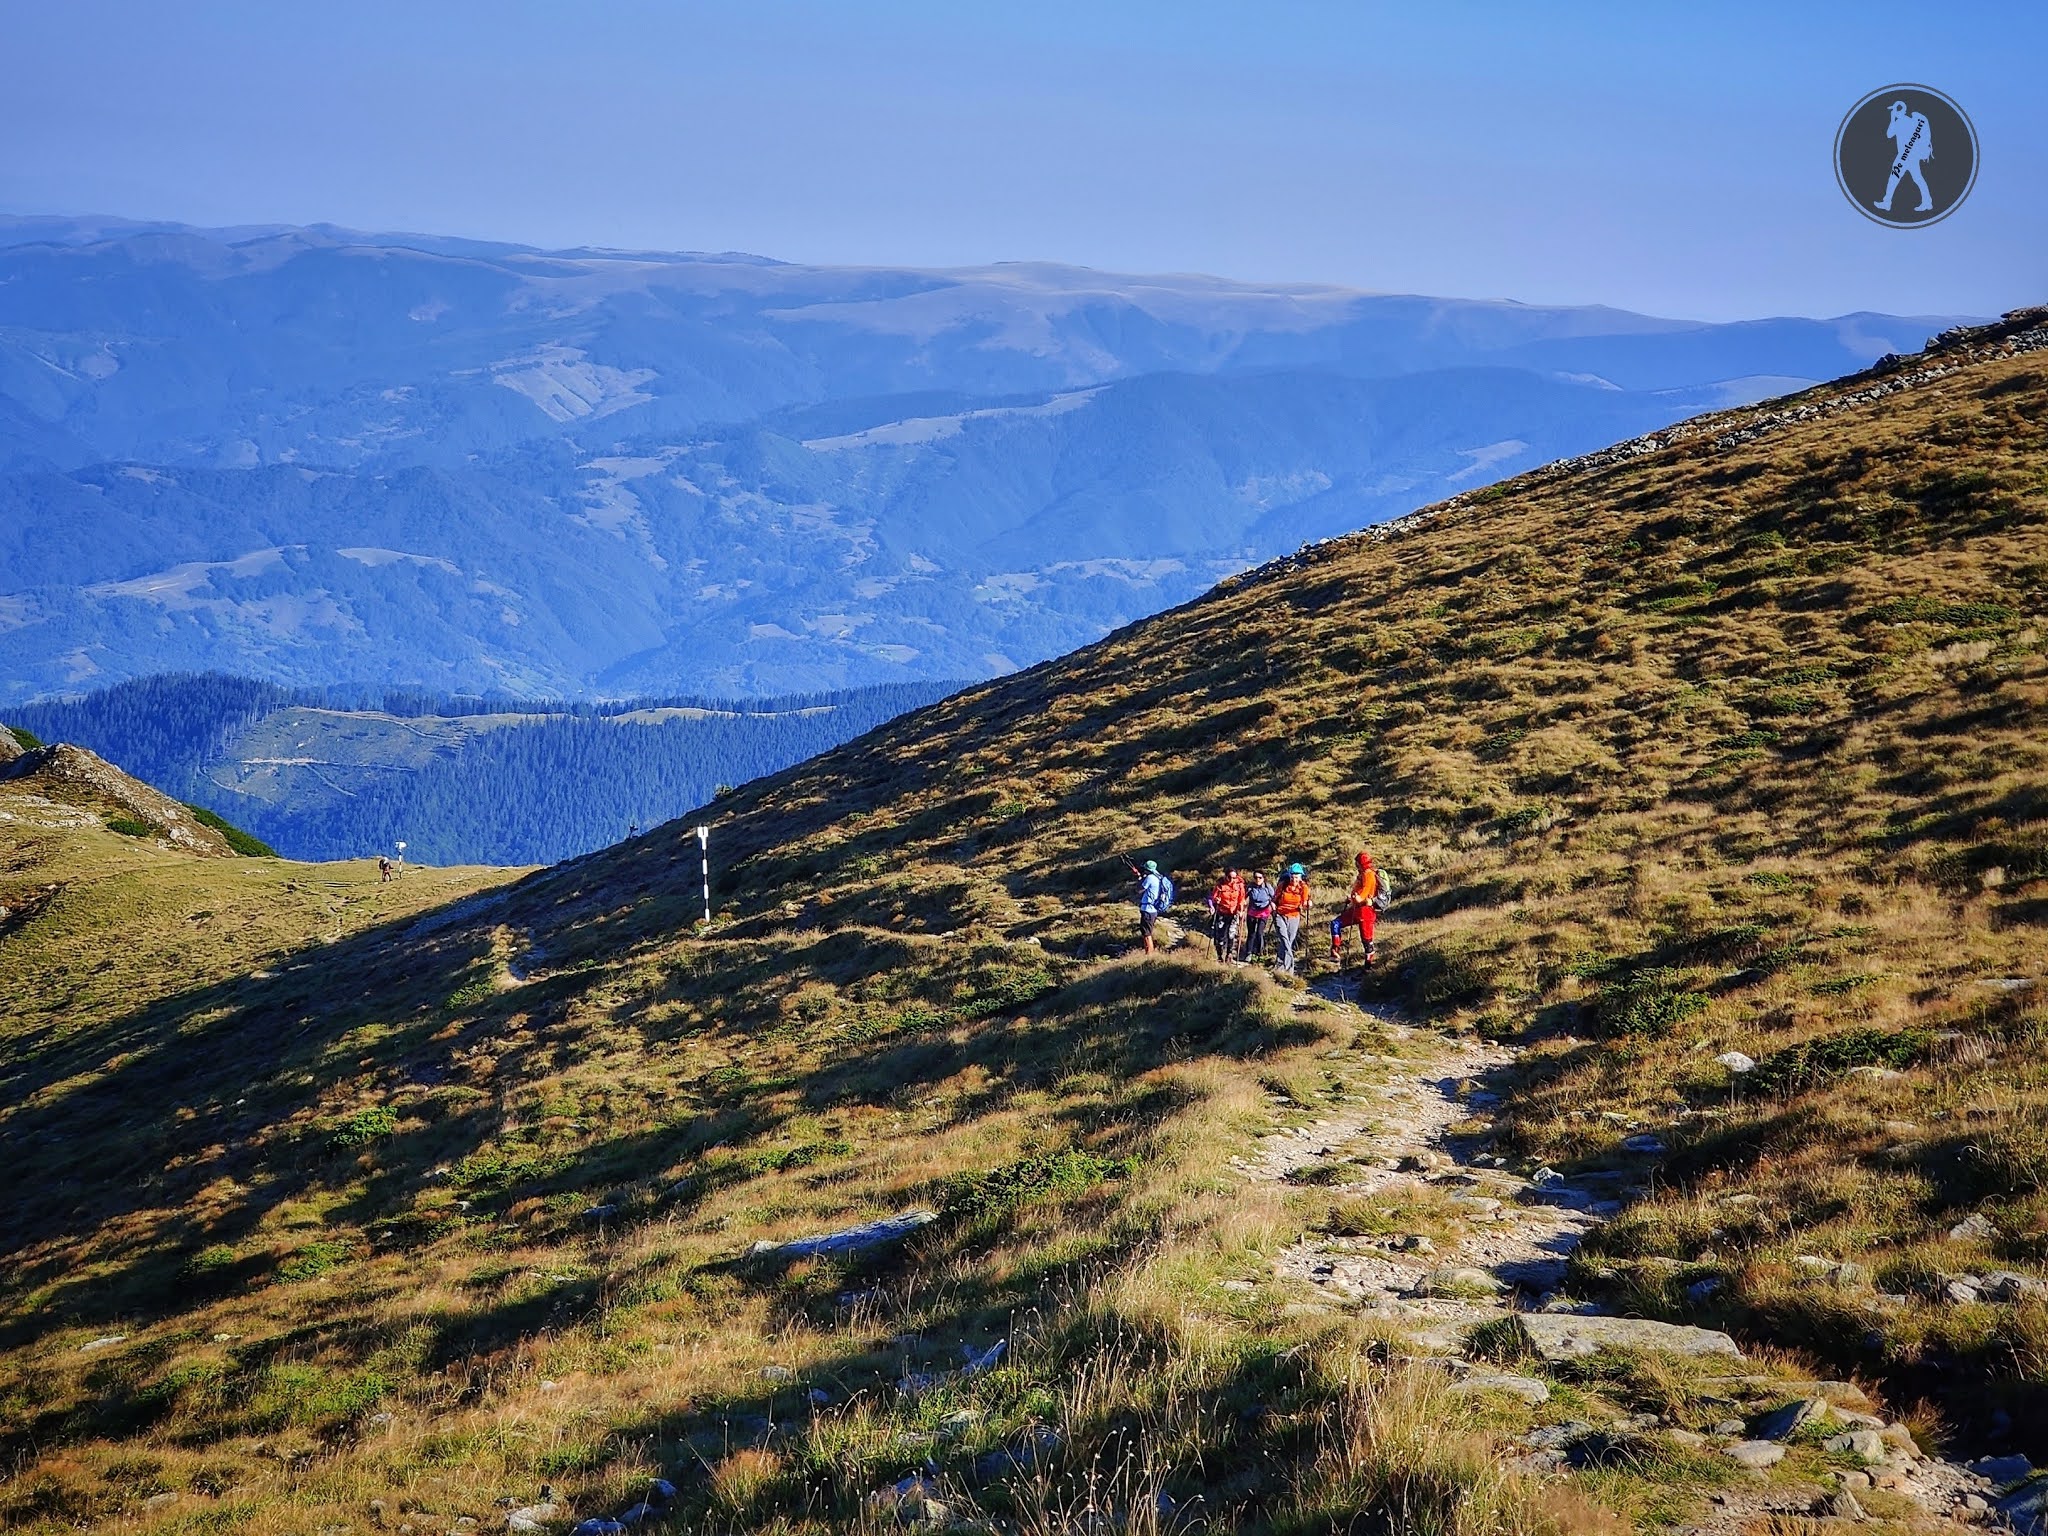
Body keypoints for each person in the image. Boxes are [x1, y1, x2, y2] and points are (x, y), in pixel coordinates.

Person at [1331, 850, 1390, 968]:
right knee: (1336, 924)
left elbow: (1364, 892)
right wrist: (1353, 898)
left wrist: (1357, 898)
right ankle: (1335, 952)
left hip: (1365, 911)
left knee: (1367, 941)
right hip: (1358, 910)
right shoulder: (1364, 874)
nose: (1356, 865)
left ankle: (1367, 968)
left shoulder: (1368, 875)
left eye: (1357, 863)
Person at [1272, 863, 1312, 974]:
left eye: (1297, 876)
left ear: (1301, 877)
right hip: (1280, 915)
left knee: (1288, 941)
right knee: (1284, 939)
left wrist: (1307, 904)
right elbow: (1275, 898)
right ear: (1290, 875)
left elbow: (1304, 902)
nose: (1294, 879)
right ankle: (1290, 969)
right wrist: (1273, 905)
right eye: (1293, 876)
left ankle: (1279, 966)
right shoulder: (1283, 885)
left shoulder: (1304, 887)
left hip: (1294, 916)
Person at [1206, 867, 1247, 963]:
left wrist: (1241, 910)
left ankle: (1229, 955)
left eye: (1234, 877)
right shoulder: (1220, 884)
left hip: (1234, 912)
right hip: (1222, 912)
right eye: (1230, 877)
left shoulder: (1239, 885)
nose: (1232, 880)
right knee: (1220, 936)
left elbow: (1242, 898)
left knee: (1231, 934)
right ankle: (1220, 956)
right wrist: (1216, 901)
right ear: (1226, 876)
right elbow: (1214, 896)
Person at [1135, 858, 1174, 954]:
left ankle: (1149, 954)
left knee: (1146, 934)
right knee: (1148, 932)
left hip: (1148, 909)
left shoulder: (1150, 878)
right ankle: (1149, 952)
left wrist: (1139, 879)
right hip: (1153, 909)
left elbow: (1139, 890)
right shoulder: (1159, 877)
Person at [1243, 870, 1276, 961]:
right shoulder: (1250, 887)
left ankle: (1259, 953)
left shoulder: (1267, 887)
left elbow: (1273, 898)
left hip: (1264, 912)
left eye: (1260, 877)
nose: (1258, 879)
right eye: (1256, 877)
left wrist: (1273, 905)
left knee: (1259, 933)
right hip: (1252, 912)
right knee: (1251, 933)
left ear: (1263, 878)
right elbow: (1244, 897)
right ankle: (1248, 953)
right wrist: (1242, 904)